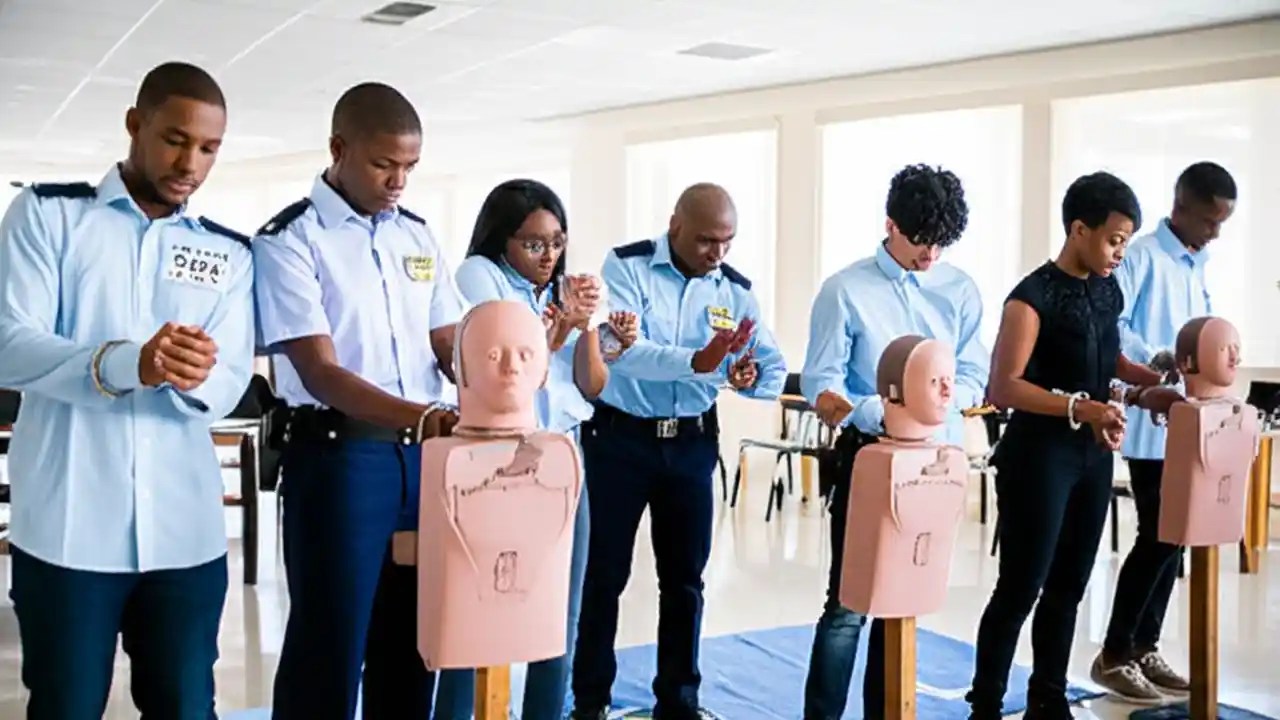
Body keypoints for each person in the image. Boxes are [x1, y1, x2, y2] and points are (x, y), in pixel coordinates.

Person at [0, 62, 254, 718]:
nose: (190, 164)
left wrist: (195, 374)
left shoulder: (228, 254)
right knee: (66, 706)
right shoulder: (48, 216)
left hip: (185, 535)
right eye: (175, 139)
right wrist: (126, 364)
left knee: (186, 707)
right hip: (68, 530)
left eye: (209, 148)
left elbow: (230, 379)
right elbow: (8, 344)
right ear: (135, 124)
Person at [253, 81, 469, 720]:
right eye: (383, 164)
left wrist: (497, 378)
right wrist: (426, 418)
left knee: (412, 646)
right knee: (331, 646)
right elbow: (321, 372)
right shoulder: (291, 239)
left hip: (422, 465)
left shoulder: (417, 237)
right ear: (338, 149)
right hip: (340, 460)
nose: (398, 181)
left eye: (410, 167)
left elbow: (445, 343)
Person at [570, 183, 787, 720]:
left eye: (727, 241)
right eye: (707, 240)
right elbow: (623, 353)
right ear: (675, 226)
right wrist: (698, 361)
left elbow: (771, 366)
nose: (718, 252)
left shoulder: (735, 291)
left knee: (685, 580)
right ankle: (590, 701)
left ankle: (679, 699)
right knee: (603, 577)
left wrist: (746, 375)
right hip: (619, 441)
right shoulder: (628, 267)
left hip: (691, 444)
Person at [968, 171, 1176, 720]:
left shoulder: (1108, 290)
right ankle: (985, 705)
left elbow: (1108, 359)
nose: (1120, 253)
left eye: (1126, 242)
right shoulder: (1030, 298)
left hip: (1091, 458)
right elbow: (1004, 387)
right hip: (1038, 457)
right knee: (1021, 587)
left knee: (1069, 587)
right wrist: (1082, 409)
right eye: (1114, 240)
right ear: (1079, 230)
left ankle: (1049, 700)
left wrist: (1153, 385)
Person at [440, 178, 638, 719]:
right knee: (475, 611)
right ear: (501, 239)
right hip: (498, 460)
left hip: (562, 454)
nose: (548, 255)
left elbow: (592, 385)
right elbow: (510, 376)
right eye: (533, 244)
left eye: (556, 242)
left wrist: (592, 328)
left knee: (560, 609)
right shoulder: (478, 276)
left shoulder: (558, 291)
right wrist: (562, 328)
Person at [799, 163, 989, 720]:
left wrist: (937, 402)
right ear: (890, 224)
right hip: (870, 457)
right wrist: (880, 411)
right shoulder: (845, 291)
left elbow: (974, 373)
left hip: (936, 463)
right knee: (848, 604)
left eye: (941, 243)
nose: (931, 255)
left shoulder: (959, 290)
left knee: (905, 600)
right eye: (921, 240)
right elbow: (820, 382)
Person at [1090, 161, 1237, 702]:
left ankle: (1143, 647)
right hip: (1150, 422)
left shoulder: (1197, 265)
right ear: (1180, 208)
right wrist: (1155, 362)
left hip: (1190, 423)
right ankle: (1114, 653)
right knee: (1156, 536)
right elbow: (1114, 326)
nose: (1214, 232)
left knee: (1175, 541)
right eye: (1209, 220)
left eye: (1222, 223)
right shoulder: (1142, 257)